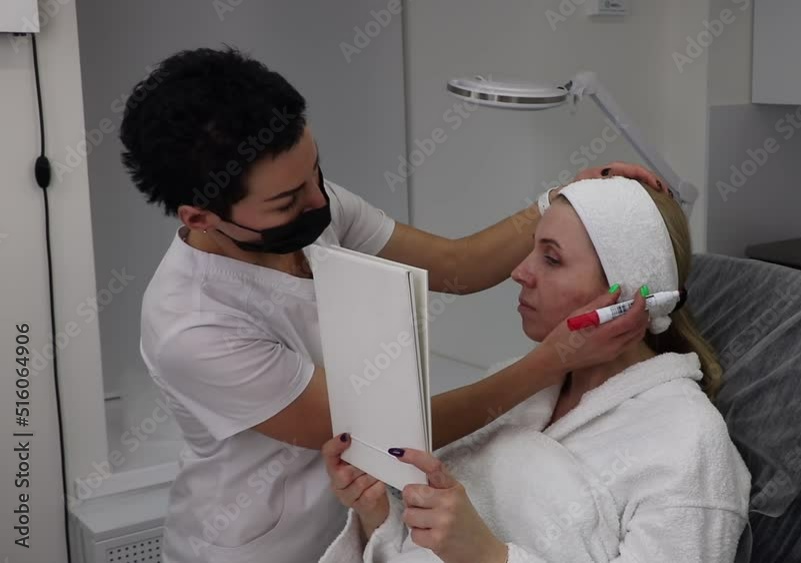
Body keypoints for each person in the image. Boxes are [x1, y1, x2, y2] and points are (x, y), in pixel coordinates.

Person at [123, 46, 668, 563]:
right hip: (263, 546)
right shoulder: (192, 327)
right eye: (288, 201)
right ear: (201, 217)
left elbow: (457, 266)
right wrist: (553, 360)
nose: (320, 200)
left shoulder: (675, 433)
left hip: (364, 524)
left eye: (315, 172)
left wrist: (563, 199)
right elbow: (383, 435)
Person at [321, 177, 752, 563]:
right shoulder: (524, 393)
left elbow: (469, 545)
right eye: (533, 250)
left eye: (552, 259)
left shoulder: (688, 441)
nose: (520, 271)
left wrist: (487, 556)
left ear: (623, 297)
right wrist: (377, 515)